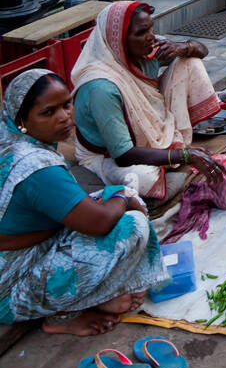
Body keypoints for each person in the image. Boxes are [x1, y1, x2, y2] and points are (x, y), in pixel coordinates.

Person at [0, 69, 167, 336]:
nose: (65, 116)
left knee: (110, 195)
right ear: (22, 119)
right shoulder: (35, 166)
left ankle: (100, 295)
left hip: (20, 248)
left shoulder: (10, 139)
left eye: (66, 105)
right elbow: (98, 223)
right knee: (131, 224)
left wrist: (118, 195)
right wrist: (124, 196)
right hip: (9, 287)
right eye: (48, 112)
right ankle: (64, 315)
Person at [72, 1, 226, 203]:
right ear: (118, 41)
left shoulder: (148, 48)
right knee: (141, 179)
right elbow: (123, 155)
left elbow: (202, 51)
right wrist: (184, 156)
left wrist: (183, 47)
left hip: (149, 120)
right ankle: (171, 153)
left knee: (190, 61)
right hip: (108, 153)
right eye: (141, 33)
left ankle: (172, 145)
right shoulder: (100, 88)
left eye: (151, 28)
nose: (151, 36)